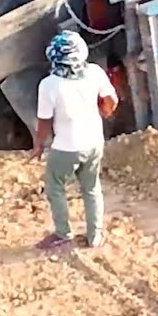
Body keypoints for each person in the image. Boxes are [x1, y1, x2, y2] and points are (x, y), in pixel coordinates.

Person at [31, 29, 119, 251]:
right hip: (94, 143)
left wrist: (38, 145)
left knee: (55, 188)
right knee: (91, 188)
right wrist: (104, 112)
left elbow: (44, 122)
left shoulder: (49, 84)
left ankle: (63, 233)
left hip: (66, 148)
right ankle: (95, 236)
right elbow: (111, 101)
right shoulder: (95, 73)